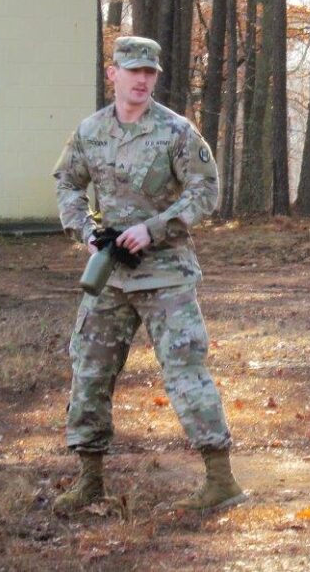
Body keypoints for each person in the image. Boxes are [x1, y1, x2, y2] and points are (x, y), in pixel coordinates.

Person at [52, 36, 245, 513]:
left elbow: (205, 190)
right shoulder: (91, 130)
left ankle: (221, 481)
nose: (141, 80)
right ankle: (89, 480)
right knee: (89, 371)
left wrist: (153, 228)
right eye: (133, 70)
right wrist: (88, 231)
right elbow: (67, 184)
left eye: (150, 73)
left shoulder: (176, 132)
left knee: (186, 372)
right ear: (113, 73)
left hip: (167, 275)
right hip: (111, 276)